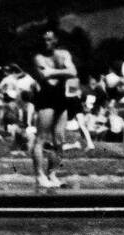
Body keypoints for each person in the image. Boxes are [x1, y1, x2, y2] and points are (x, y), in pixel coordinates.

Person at [32, 29, 77, 190]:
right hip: (46, 99)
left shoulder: (64, 53)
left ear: (55, 40)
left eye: (50, 40)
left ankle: (52, 174)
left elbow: (73, 72)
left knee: (59, 140)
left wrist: (53, 72)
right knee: (41, 138)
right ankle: (39, 175)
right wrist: (63, 72)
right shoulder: (38, 57)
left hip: (61, 99)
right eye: (44, 40)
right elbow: (46, 79)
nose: (47, 43)